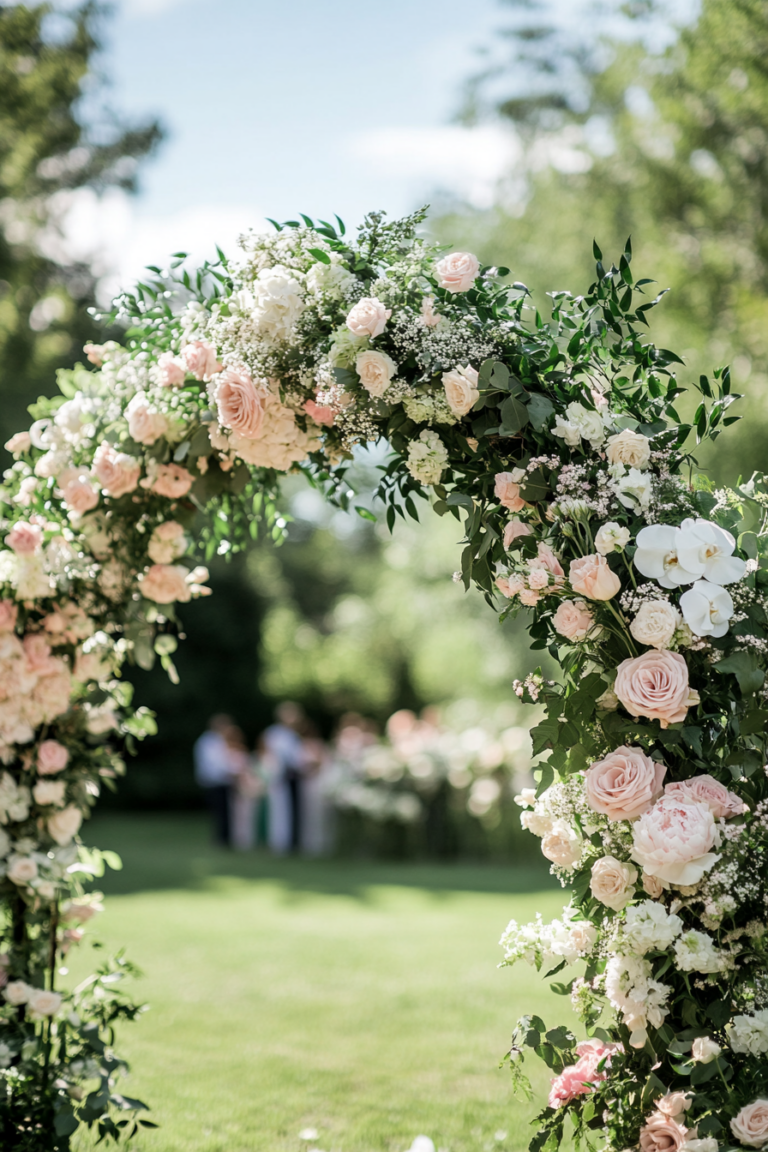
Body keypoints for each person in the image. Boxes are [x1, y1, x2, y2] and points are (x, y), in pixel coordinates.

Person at [261, 702, 305, 854]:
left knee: (295, 810)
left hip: (294, 777)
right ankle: (280, 843)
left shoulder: (295, 734)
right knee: (279, 811)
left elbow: (298, 758)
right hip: (279, 777)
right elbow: (270, 757)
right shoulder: (273, 733)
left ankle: (294, 842)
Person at [194, 714, 238, 847]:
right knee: (220, 813)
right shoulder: (208, 741)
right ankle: (221, 839)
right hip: (214, 783)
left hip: (224, 782)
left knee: (226, 813)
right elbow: (215, 764)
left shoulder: (219, 740)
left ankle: (226, 838)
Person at [227, 724, 264, 851]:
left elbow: (248, 770)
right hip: (235, 787)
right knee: (238, 815)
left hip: (245, 786)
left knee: (248, 815)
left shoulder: (243, 753)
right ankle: (239, 839)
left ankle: (247, 840)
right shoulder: (227, 752)